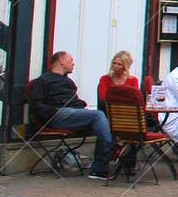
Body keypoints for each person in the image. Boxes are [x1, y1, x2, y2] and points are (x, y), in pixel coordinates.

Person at [29, 51, 115, 180]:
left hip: (74, 114)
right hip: (57, 115)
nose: (73, 64)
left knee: (108, 123)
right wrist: (54, 111)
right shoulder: (42, 81)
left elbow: (75, 102)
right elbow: (36, 105)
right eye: (71, 61)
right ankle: (101, 166)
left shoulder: (68, 82)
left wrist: (80, 104)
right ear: (61, 61)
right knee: (98, 115)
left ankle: (100, 168)